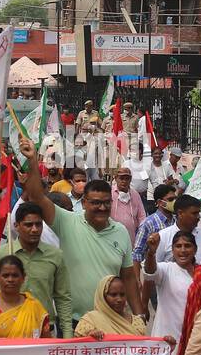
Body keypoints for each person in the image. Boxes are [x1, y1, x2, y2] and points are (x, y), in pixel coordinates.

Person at [19, 138, 142, 322]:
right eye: (96, 203)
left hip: (111, 321)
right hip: (72, 322)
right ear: (84, 203)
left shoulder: (121, 231)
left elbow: (129, 278)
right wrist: (32, 161)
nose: (102, 208)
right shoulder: (67, 221)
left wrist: (139, 315)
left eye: (106, 203)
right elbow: (37, 197)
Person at [0, 202, 72, 338]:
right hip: (6, 331)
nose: (34, 229)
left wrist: (68, 335)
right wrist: (4, 289)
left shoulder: (55, 255)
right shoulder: (0, 254)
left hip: (44, 330)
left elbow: (63, 297)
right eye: (28, 225)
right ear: (16, 226)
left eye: (38, 224)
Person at [154, 194, 201, 268]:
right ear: (180, 213)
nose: (198, 217)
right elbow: (154, 269)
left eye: (199, 213)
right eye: (194, 213)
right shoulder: (163, 236)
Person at [132, 183, 175, 263]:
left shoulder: (177, 220)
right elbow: (137, 253)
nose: (174, 202)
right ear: (159, 202)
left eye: (175, 199)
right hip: (154, 269)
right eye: (170, 200)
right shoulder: (148, 223)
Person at [109, 165, 146, 244]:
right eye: (121, 178)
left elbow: (141, 216)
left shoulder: (135, 194)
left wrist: (142, 233)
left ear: (130, 180)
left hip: (131, 236)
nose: (124, 181)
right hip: (112, 235)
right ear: (116, 179)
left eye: (127, 179)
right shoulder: (109, 193)